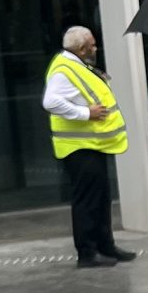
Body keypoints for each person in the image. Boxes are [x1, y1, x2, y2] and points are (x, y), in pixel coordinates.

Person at [42, 26, 138, 268]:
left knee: (101, 197)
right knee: (86, 200)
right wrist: (86, 113)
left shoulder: (77, 65)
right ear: (82, 48)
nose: (96, 48)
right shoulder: (64, 69)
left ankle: (105, 245)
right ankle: (87, 253)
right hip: (78, 147)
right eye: (92, 45)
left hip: (92, 144)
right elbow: (50, 101)